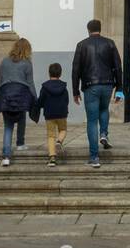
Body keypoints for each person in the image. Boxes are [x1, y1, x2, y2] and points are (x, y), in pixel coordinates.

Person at [71, 19, 123, 168]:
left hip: (90, 86)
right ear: (100, 29)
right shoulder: (110, 43)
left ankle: (94, 157)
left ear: (88, 30)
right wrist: (119, 89)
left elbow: (76, 69)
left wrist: (75, 91)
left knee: (92, 121)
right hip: (107, 84)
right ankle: (104, 134)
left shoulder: (81, 45)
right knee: (104, 109)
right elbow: (118, 67)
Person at [0, 36, 37, 167]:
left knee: (8, 125)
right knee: (22, 117)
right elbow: (30, 83)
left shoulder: (4, 62)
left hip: (6, 95)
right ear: (27, 50)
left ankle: (6, 156)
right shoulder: (27, 63)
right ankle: (20, 143)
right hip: (21, 95)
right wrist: (35, 98)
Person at [38, 62, 70, 167]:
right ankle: (59, 141)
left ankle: (52, 158)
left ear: (49, 73)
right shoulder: (63, 87)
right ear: (60, 74)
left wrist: (40, 106)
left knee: (51, 135)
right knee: (63, 130)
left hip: (49, 114)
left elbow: (41, 100)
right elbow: (66, 100)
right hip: (62, 113)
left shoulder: (45, 87)